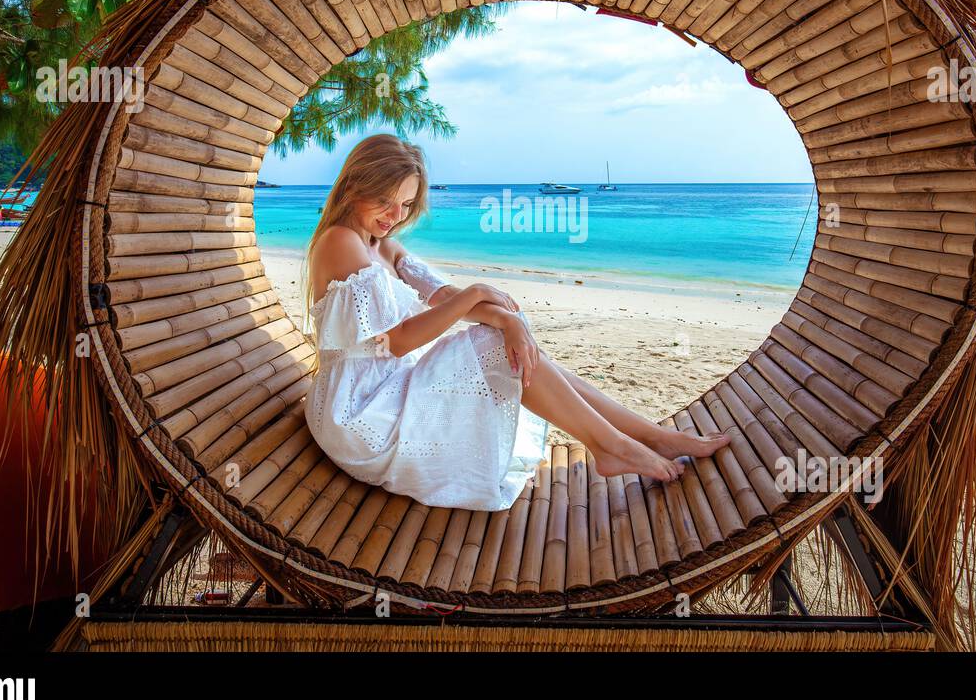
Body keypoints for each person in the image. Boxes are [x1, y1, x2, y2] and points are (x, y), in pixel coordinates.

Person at [302, 133, 731, 511]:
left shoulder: (382, 243)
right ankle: (614, 444)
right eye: (385, 201)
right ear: (356, 185)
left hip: (386, 390)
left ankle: (645, 437)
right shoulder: (341, 242)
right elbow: (394, 343)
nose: (395, 214)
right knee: (494, 348)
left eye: (407, 204)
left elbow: (444, 297)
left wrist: (508, 321)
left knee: (505, 340)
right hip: (360, 413)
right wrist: (479, 299)